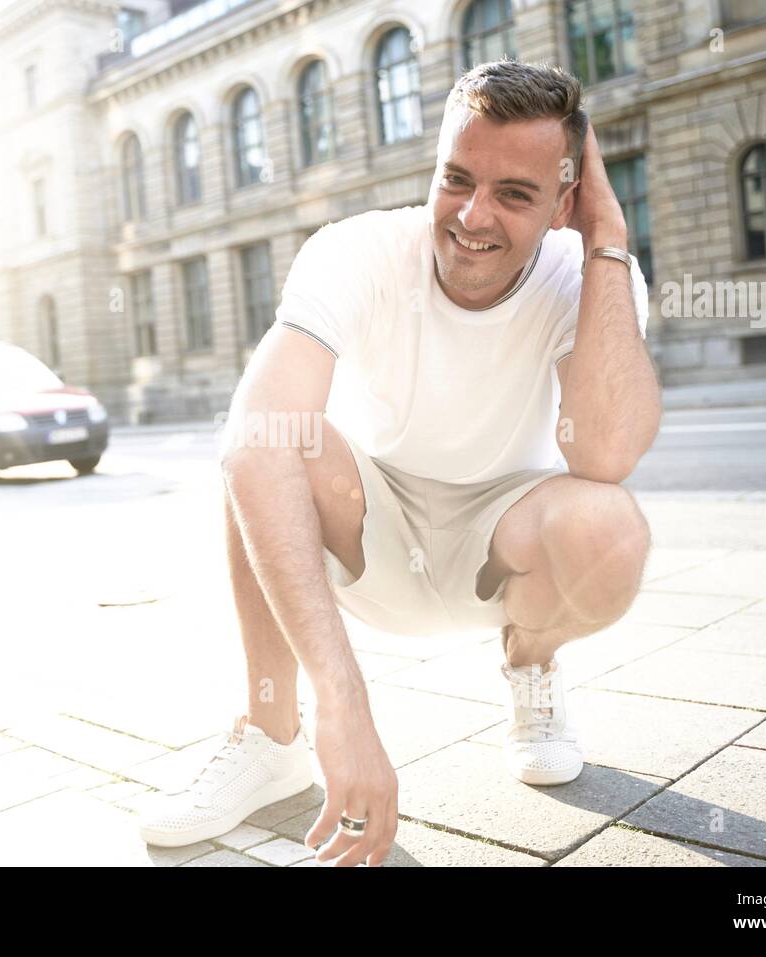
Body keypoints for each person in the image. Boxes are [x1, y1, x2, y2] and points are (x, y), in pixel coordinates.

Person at [138, 60, 660, 867]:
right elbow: (255, 435)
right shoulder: (358, 250)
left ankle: (531, 664)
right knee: (268, 435)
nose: (472, 216)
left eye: (515, 194)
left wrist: (609, 242)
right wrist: (342, 698)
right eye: (457, 178)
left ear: (565, 203)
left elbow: (608, 451)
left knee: (612, 527)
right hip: (369, 531)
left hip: (505, 548)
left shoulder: (591, 273)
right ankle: (273, 734)